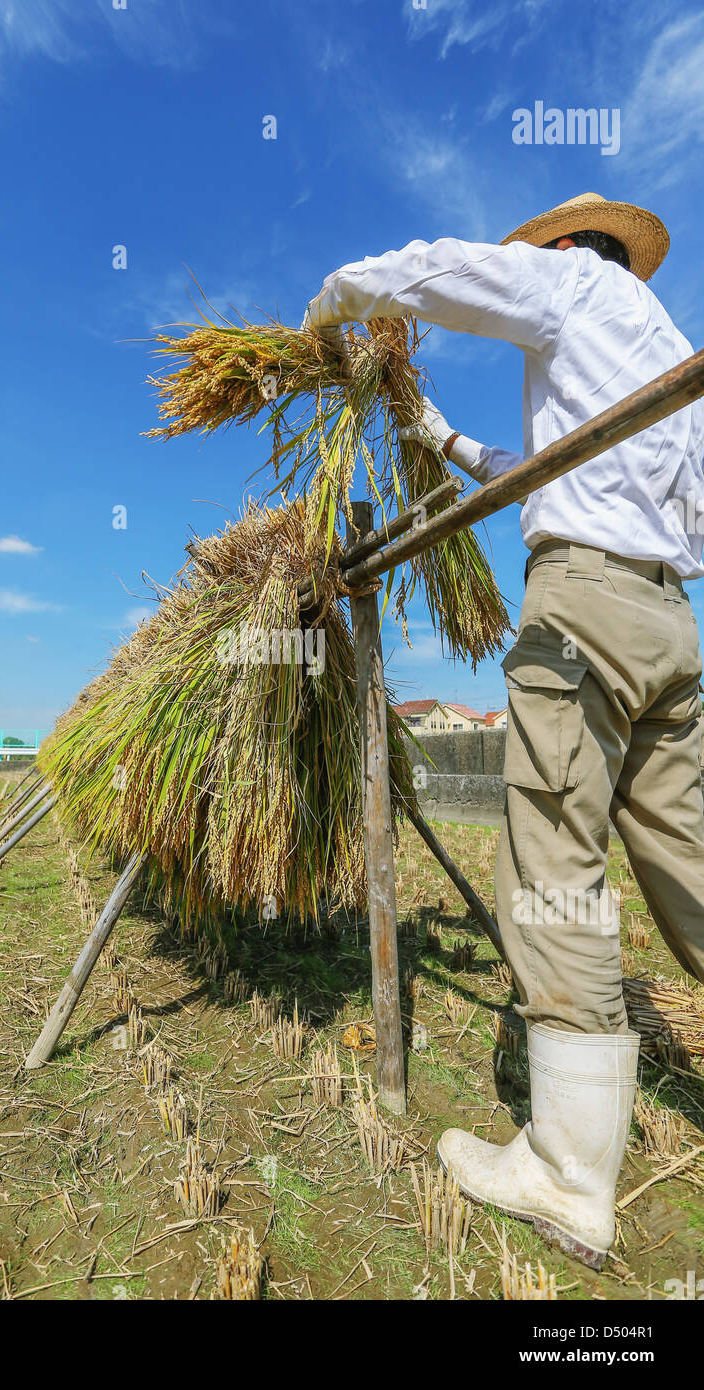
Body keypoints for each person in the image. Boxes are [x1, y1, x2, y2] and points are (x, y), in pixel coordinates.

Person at [302, 193, 704, 1268]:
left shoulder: (574, 282)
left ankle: (569, 1176)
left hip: (578, 611)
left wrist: (333, 301)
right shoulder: (667, 350)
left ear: (573, 246)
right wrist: (436, 435)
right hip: (669, 620)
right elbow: (564, 477)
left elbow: (438, 272)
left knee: (552, 861)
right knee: (685, 857)